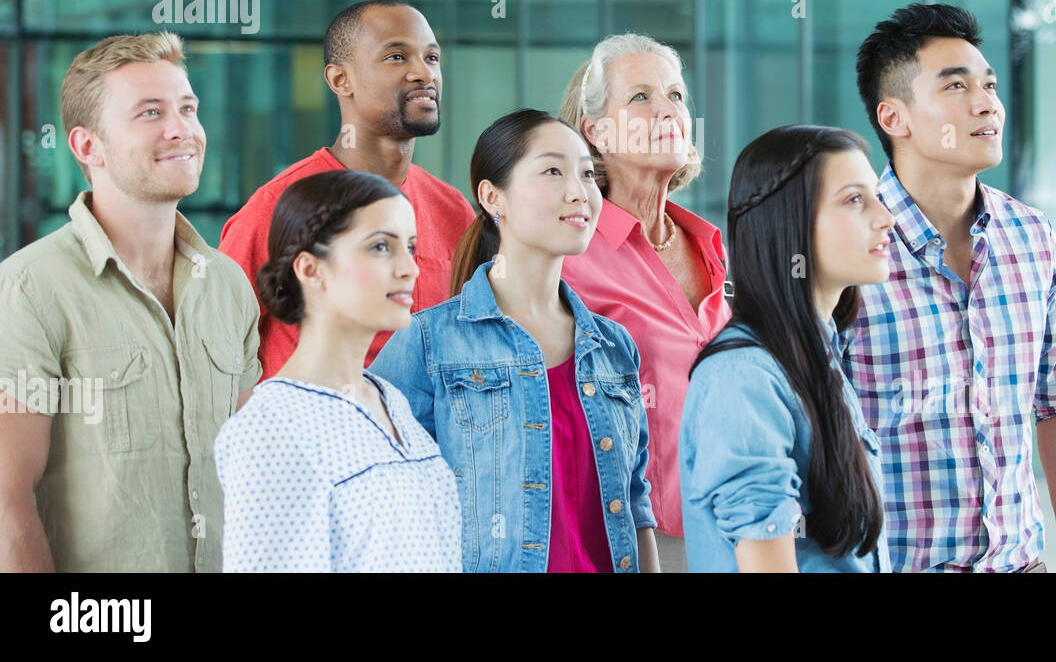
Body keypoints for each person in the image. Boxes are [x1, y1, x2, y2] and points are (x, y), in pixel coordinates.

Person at [849, 2, 1056, 572]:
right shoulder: (845, 248)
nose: (988, 103)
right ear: (895, 119)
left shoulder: (1033, 237)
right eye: (956, 86)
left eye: (988, 84)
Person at [0, 32, 260, 572]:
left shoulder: (229, 285)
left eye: (187, 108)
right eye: (149, 112)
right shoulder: (30, 288)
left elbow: (248, 474)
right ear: (87, 146)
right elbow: (7, 499)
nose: (181, 129)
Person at [370, 109, 658, 573]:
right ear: (491, 197)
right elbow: (379, 508)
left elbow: (634, 499)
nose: (578, 191)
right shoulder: (426, 343)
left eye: (587, 173)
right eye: (552, 171)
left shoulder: (613, 346)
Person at [215, 170, 461, 572]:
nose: (409, 270)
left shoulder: (391, 401)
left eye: (411, 248)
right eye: (381, 246)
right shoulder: (269, 431)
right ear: (311, 270)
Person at [219, 0, 475, 380]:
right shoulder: (279, 206)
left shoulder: (454, 210)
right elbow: (218, 348)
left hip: (422, 437)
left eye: (432, 58)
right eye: (396, 57)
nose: (423, 73)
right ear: (341, 80)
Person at [680, 125, 893, 573]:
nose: (885, 217)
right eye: (855, 200)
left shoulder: (817, 351)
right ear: (788, 221)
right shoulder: (743, 378)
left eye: (876, 196)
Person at [557, 34, 730, 572]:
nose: (668, 110)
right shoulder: (570, 257)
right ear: (594, 131)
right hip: (639, 540)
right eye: (640, 98)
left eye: (676, 95)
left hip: (742, 525)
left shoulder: (716, 245)